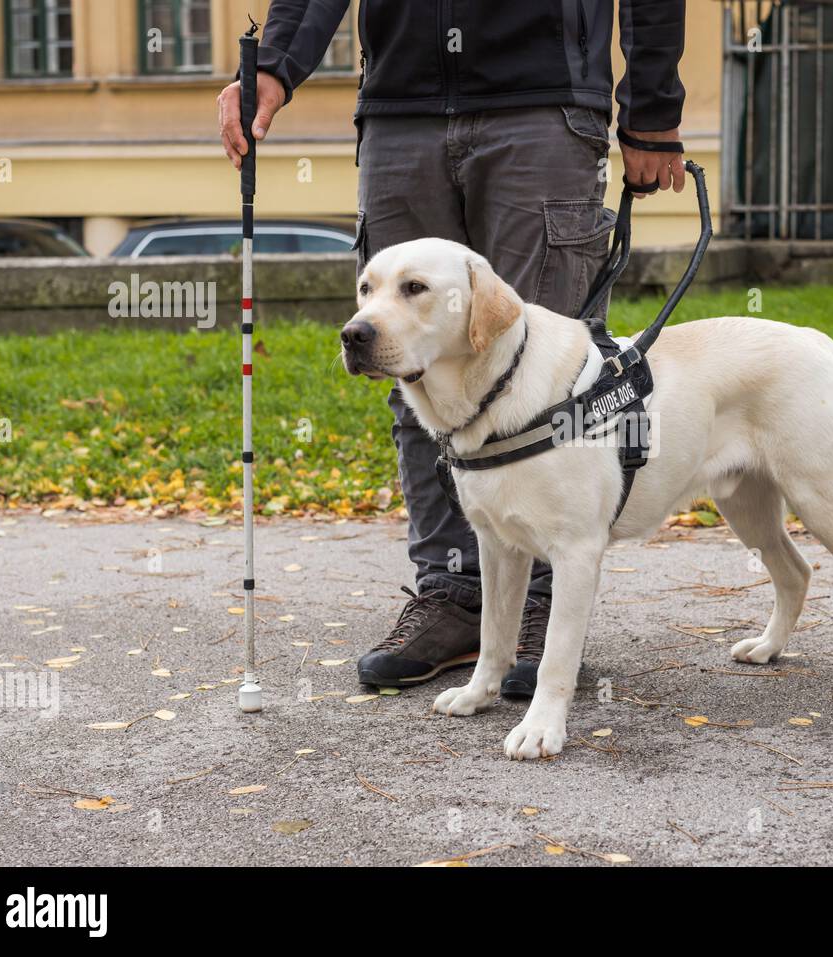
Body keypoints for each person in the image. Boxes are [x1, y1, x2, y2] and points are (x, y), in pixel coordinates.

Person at [218, 0, 686, 698]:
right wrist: (278, 64)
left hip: (543, 99)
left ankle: (545, 604)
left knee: (555, 375)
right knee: (412, 364)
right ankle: (451, 591)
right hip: (400, 103)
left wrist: (651, 103)